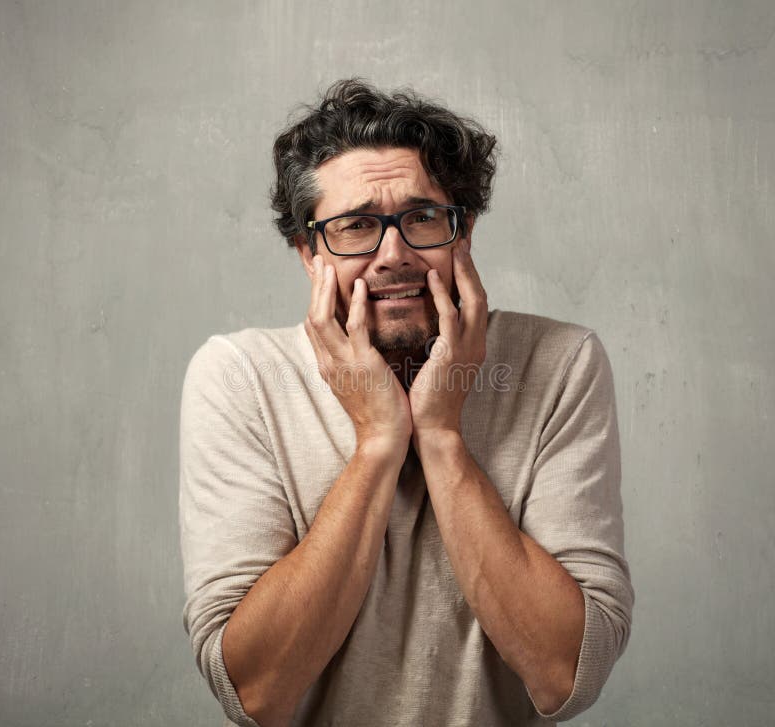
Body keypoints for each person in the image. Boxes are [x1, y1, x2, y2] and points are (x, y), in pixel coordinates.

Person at [179, 79, 634, 727]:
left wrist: (442, 436)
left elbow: (566, 674)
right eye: (356, 225)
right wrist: (377, 444)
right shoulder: (239, 376)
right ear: (308, 252)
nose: (393, 254)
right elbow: (253, 692)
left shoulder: (558, 362)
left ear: (463, 232)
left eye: (422, 217)